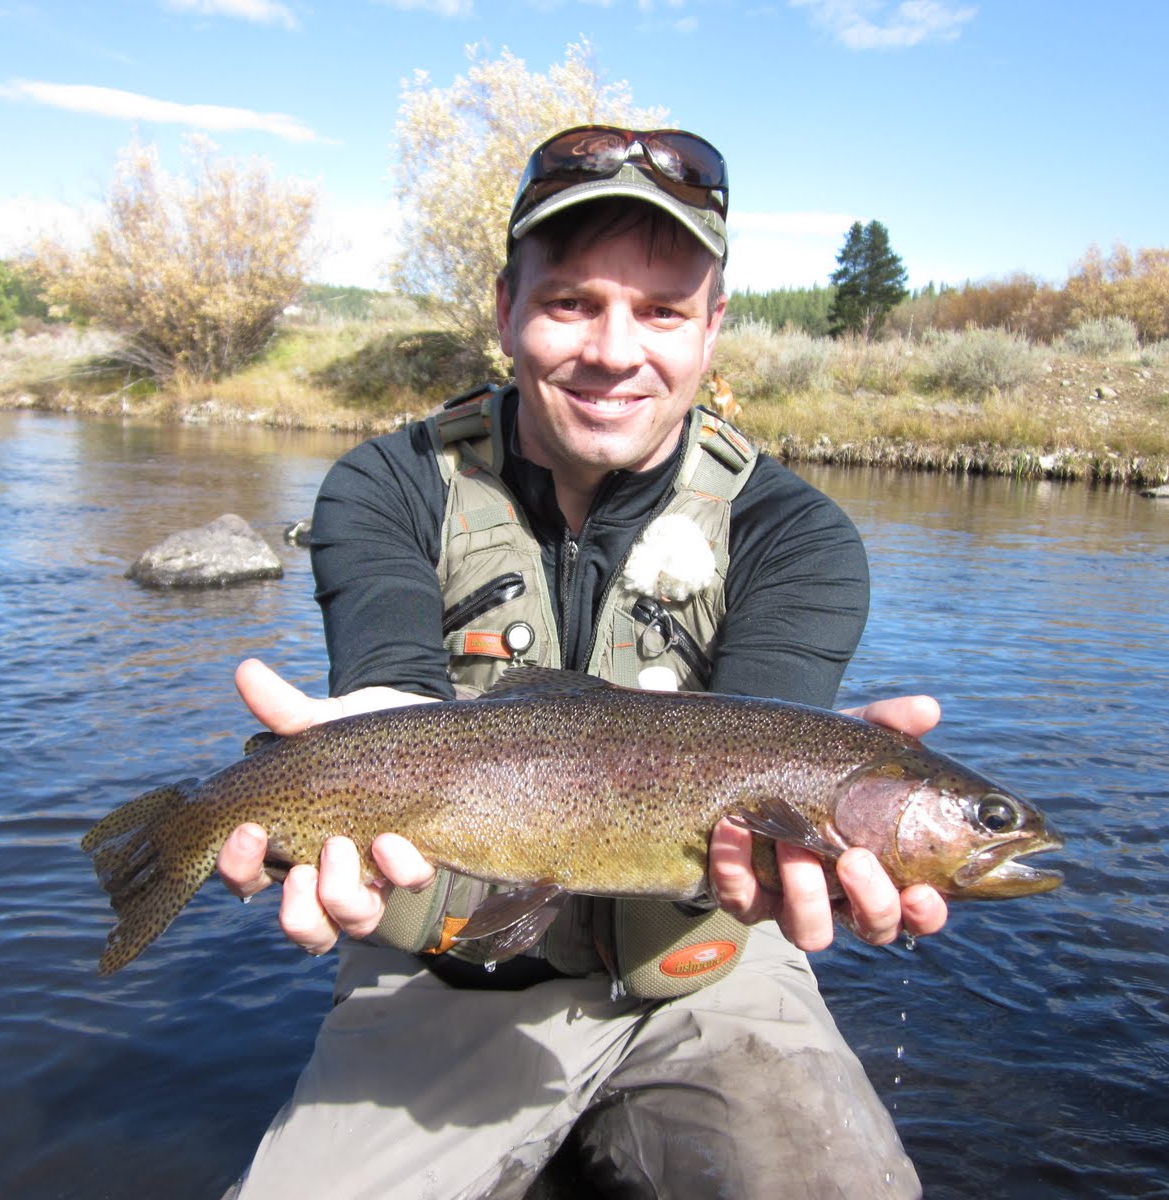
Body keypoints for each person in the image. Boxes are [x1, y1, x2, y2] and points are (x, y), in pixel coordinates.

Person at [216, 125, 947, 1199]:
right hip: (436, 972)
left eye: (662, 312)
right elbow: (394, 694)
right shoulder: (388, 486)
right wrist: (334, 777)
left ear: (713, 328)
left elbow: (769, 764)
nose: (614, 351)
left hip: (706, 972)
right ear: (505, 307)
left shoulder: (797, 536)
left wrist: (827, 824)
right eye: (570, 302)